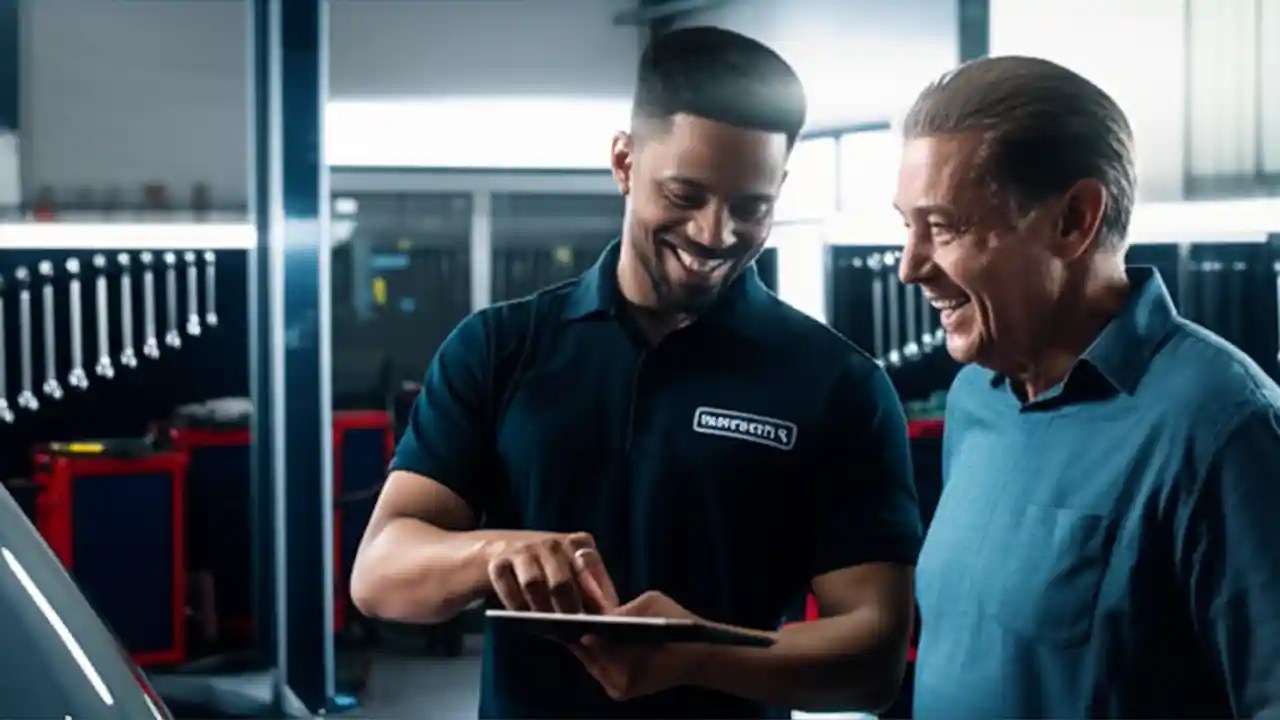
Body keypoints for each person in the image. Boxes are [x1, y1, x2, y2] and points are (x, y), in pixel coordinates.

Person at [349, 25, 923, 720]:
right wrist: (501, 552)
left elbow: (873, 657)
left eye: (751, 206)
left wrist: (695, 655)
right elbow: (380, 575)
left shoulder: (840, 386)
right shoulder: (500, 348)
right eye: (685, 194)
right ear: (624, 161)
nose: (715, 234)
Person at [895, 55, 1280, 719]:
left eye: (945, 227)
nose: (910, 267)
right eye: (907, 225)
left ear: (1074, 220)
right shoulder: (975, 399)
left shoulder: (1223, 427)